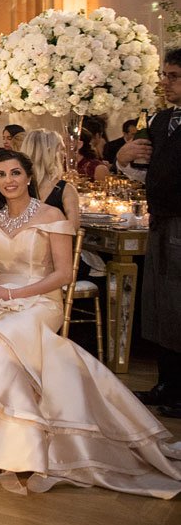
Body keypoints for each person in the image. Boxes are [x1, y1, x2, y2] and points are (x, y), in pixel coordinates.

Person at [0, 148, 181, 496]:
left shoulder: (51, 215)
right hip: (1, 302)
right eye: (0, 175)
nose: (8, 181)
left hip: (40, 301)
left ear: (28, 177)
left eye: (15, 173)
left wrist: (18, 294)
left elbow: (62, 275)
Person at [116, 47, 181, 417]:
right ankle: (166, 382)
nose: (165, 83)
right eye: (164, 76)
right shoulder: (160, 120)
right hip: (160, 221)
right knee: (159, 303)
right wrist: (123, 160)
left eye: (173, 76)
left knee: (178, 303)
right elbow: (146, 170)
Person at [23, 129, 80, 226]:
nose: (65, 154)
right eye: (62, 149)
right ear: (50, 152)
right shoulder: (66, 190)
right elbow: (73, 229)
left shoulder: (14, 186)